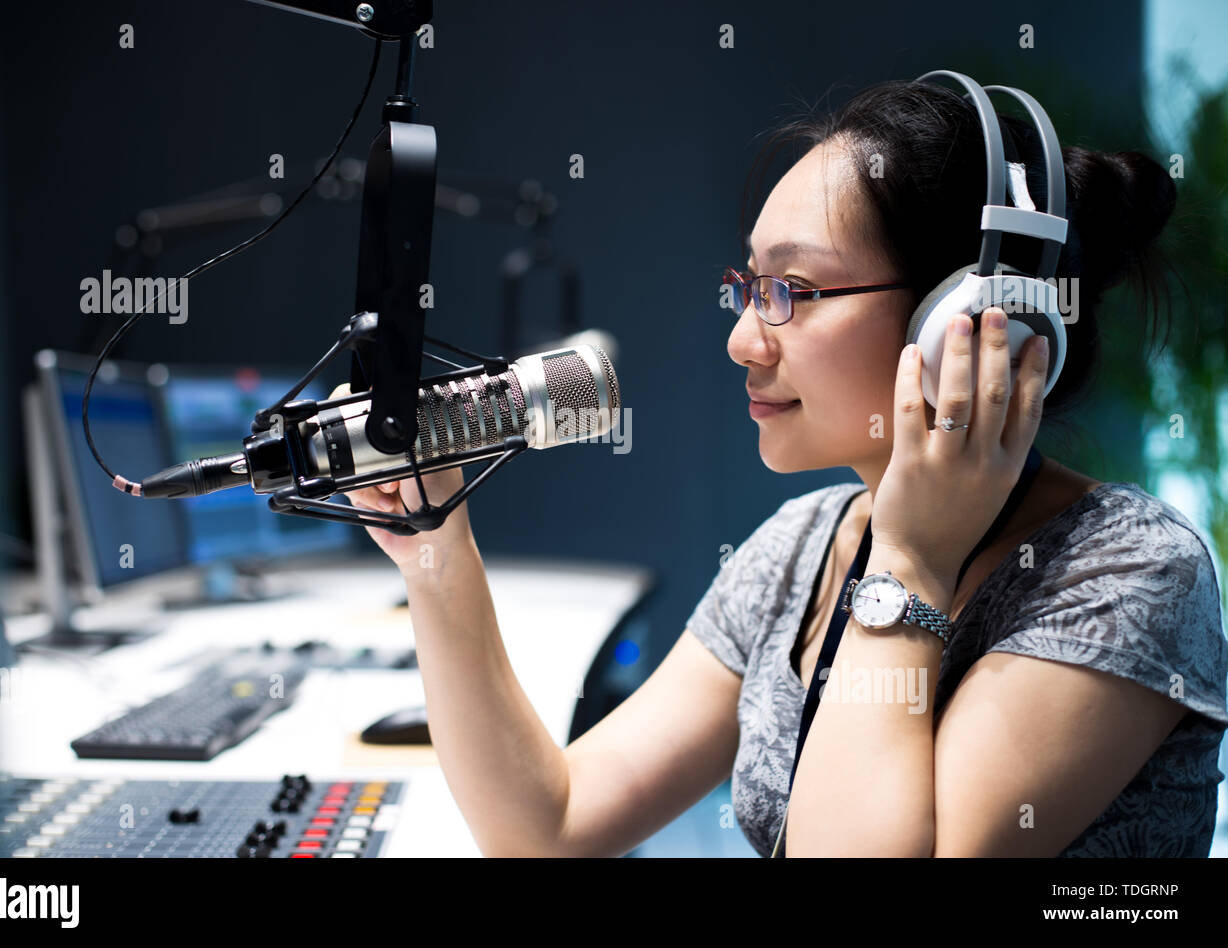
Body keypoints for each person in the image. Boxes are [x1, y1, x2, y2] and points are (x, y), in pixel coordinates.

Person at [335, 77, 1228, 857]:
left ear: (966, 316)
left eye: (789, 293)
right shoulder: (801, 548)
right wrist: (438, 551)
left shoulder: (1128, 572)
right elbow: (547, 827)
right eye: (746, 288)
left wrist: (909, 564)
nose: (740, 340)